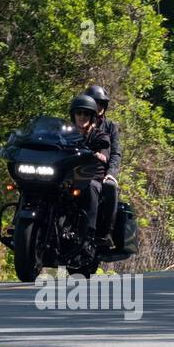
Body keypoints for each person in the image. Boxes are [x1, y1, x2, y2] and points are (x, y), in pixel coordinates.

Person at [68, 92, 111, 251]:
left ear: (92, 117)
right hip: (68, 176)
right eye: (79, 112)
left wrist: (97, 153)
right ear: (73, 115)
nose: (82, 116)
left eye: (86, 113)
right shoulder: (66, 134)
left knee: (92, 186)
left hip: (90, 175)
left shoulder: (98, 134)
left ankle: (89, 234)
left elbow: (106, 143)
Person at [84, 85, 121, 248]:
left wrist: (111, 173)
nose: (97, 107)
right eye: (94, 103)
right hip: (75, 170)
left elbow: (114, 153)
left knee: (110, 187)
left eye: (101, 104)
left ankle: (105, 234)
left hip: (100, 173)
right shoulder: (80, 120)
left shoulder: (110, 127)